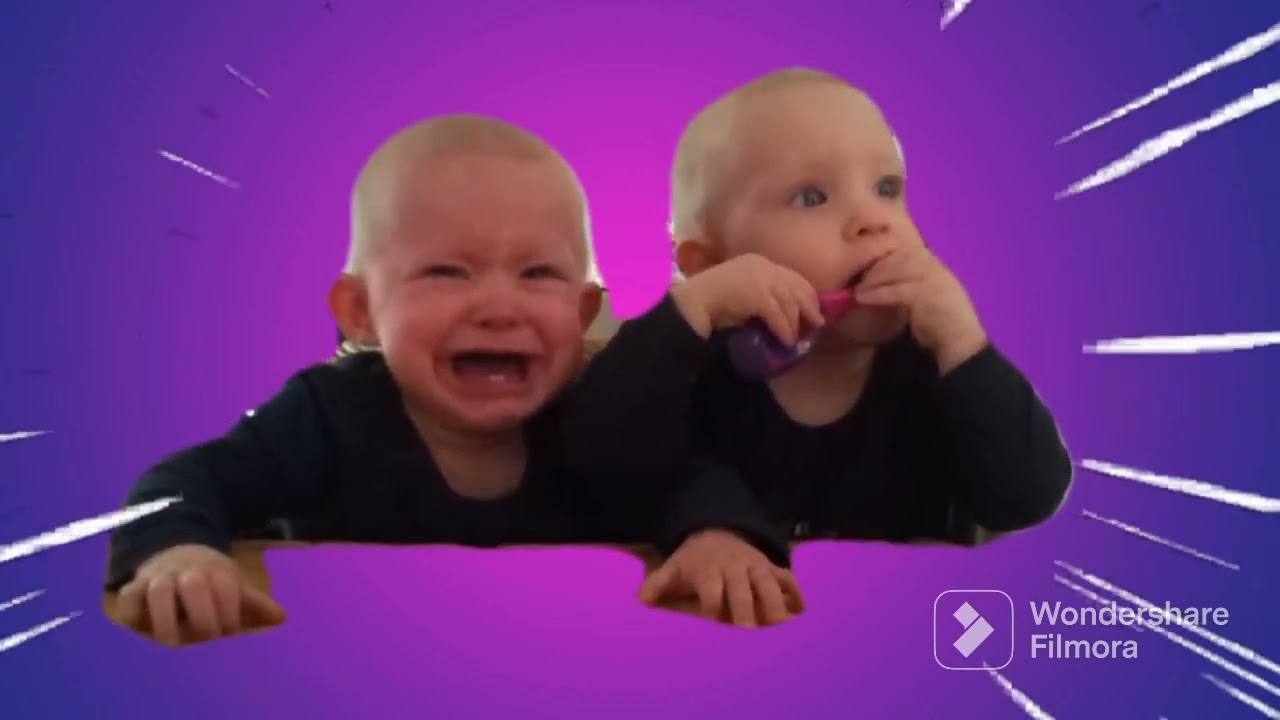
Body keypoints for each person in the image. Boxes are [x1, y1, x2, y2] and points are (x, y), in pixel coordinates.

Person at [106, 113, 797, 646]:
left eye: (538, 274)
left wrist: (714, 535)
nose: (499, 307)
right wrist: (179, 552)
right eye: (446, 272)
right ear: (362, 312)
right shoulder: (328, 414)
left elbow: (685, 476)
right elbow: (185, 482)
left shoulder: (594, 421)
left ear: (582, 311)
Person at [562, 68, 1074, 601]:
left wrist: (966, 347)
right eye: (811, 197)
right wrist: (689, 311)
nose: (873, 221)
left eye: (887, 188)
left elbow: (1026, 498)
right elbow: (593, 449)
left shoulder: (937, 369)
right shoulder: (688, 367)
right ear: (713, 263)